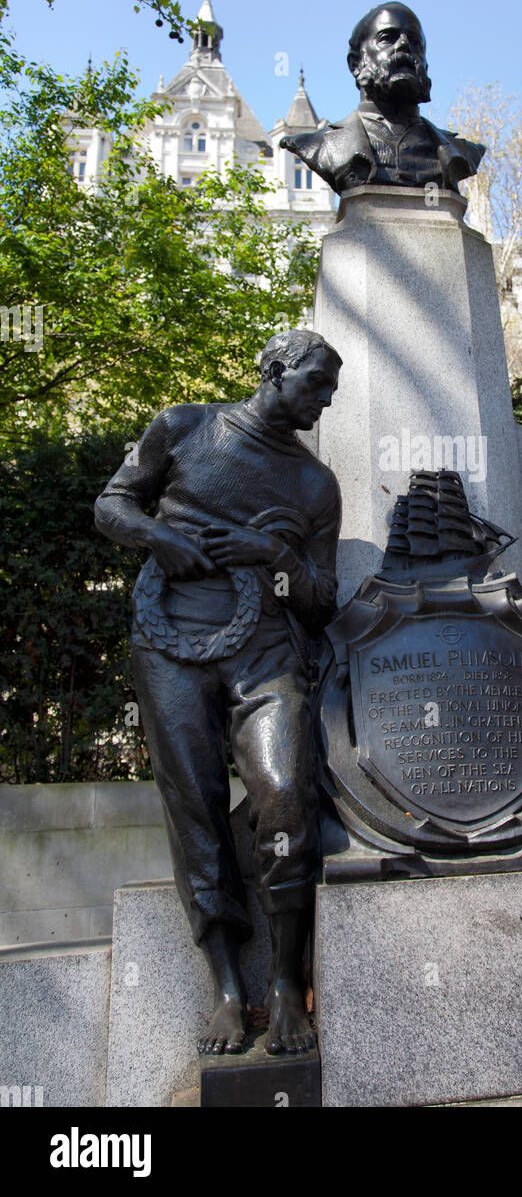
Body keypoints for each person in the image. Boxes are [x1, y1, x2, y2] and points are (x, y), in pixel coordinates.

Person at [94, 329, 342, 1056]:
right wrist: (156, 538)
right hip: (170, 642)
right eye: (316, 383)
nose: (325, 400)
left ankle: (286, 985)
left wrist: (277, 555)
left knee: (287, 793)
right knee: (194, 806)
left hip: (266, 650)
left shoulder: (315, 485)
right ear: (274, 370)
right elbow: (110, 506)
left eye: (332, 390)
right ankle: (228, 988)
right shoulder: (184, 426)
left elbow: (322, 601)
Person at [281, 1, 485, 193]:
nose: (404, 46)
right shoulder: (322, 146)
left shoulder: (459, 153)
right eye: (387, 38)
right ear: (355, 63)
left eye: (414, 42)